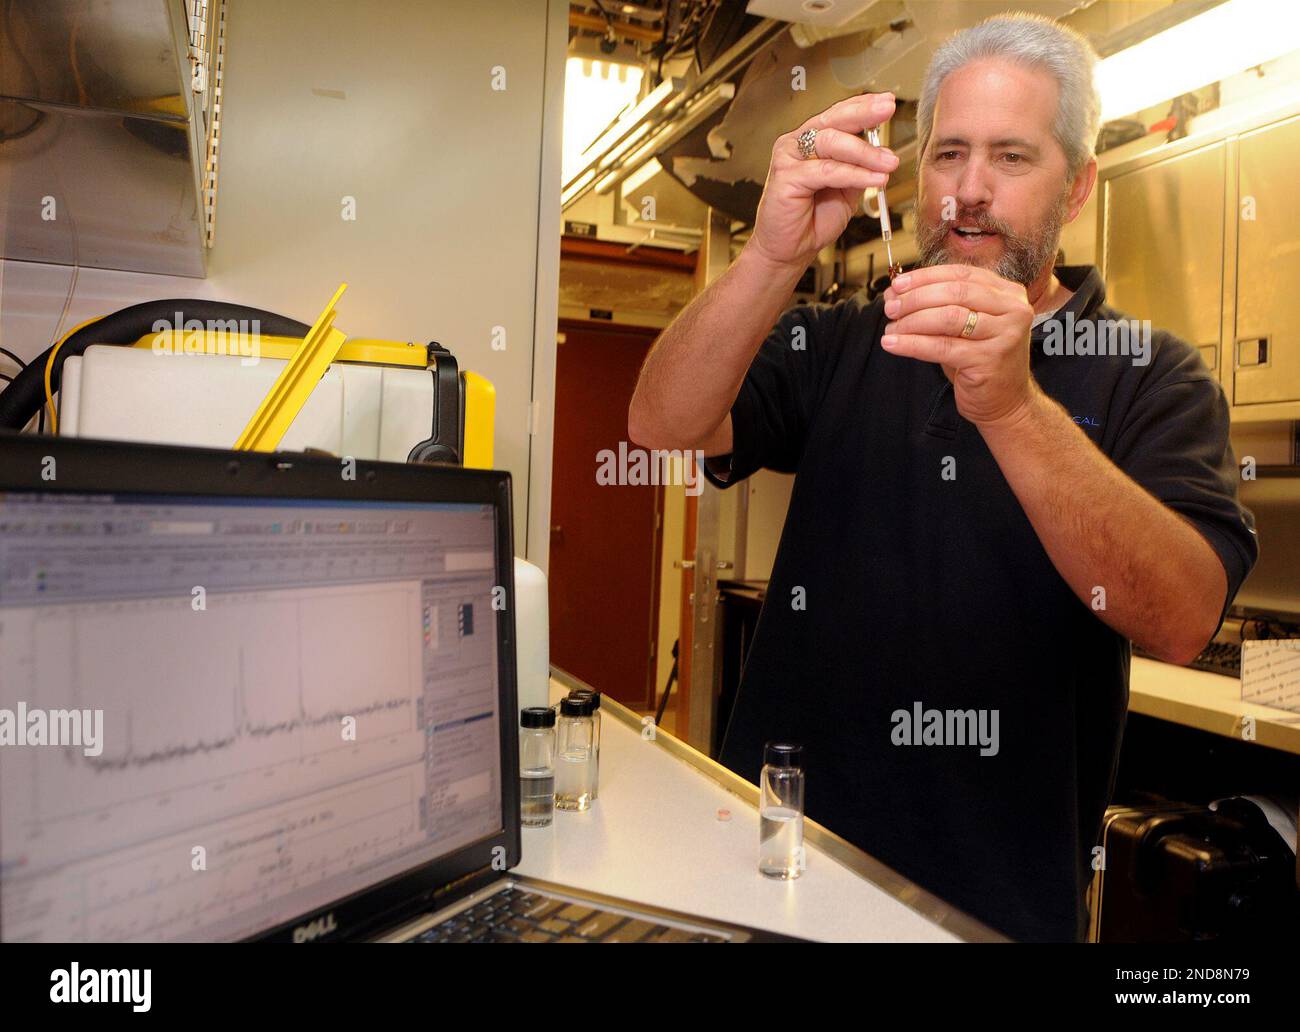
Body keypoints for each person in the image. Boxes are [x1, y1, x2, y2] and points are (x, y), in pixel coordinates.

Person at [627, 12, 1258, 942]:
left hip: (990, 907)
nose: (968, 192)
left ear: (1078, 185)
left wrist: (1009, 407)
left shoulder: (1148, 373)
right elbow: (659, 425)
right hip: (776, 869)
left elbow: (1179, 617)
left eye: (1011, 157)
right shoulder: (845, 333)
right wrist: (772, 255)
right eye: (948, 154)